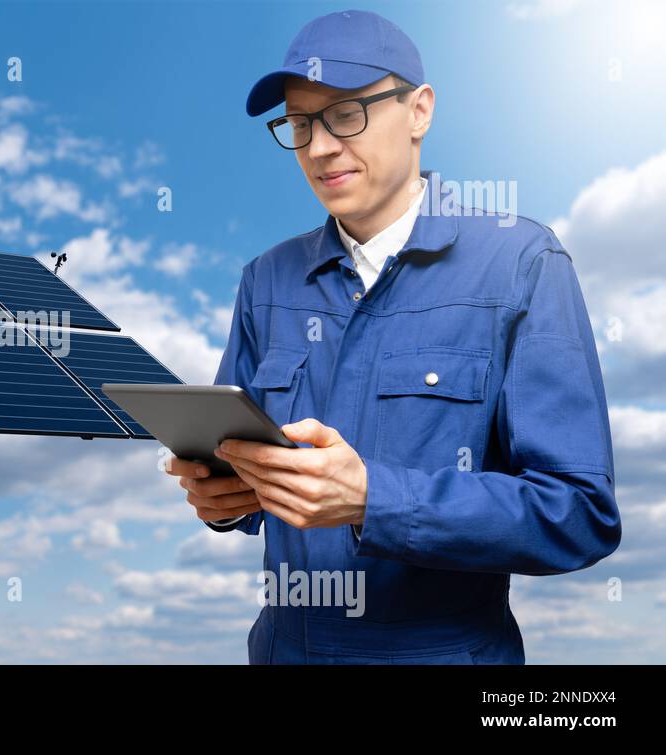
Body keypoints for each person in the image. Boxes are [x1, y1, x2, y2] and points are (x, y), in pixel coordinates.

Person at [164, 9, 620, 663]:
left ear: (419, 111)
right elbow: (250, 471)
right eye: (299, 124)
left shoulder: (522, 263)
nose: (319, 146)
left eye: (346, 113)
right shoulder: (265, 281)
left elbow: (578, 513)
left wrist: (376, 498)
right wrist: (224, 499)